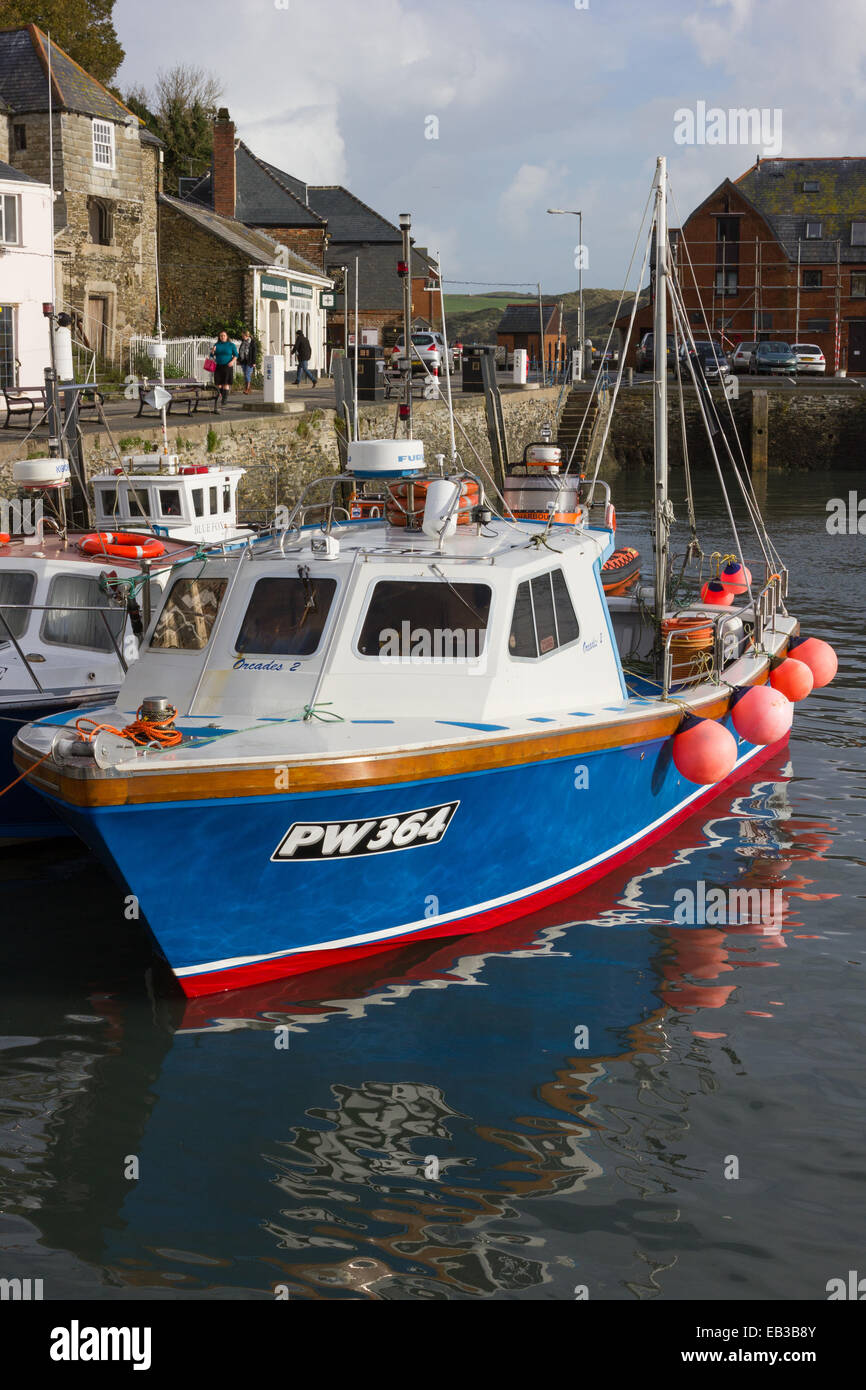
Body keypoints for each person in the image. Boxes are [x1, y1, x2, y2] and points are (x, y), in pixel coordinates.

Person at [211, 331, 238, 410]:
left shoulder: (231, 345)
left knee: (226, 383)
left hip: (227, 366)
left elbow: (236, 355)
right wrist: (213, 351)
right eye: (221, 336)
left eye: (224, 335)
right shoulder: (216, 345)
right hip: (218, 366)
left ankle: (224, 400)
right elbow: (212, 355)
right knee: (219, 384)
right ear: (219, 337)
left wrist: (232, 361)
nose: (222, 337)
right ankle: (223, 396)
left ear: (227, 336)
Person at [237, 330, 258, 394]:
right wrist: (239, 360)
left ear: (247, 335)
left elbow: (254, 353)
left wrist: (254, 362)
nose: (242, 337)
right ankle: (248, 388)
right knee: (245, 375)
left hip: (250, 361)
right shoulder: (243, 342)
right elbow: (240, 351)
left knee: (247, 374)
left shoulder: (252, 342)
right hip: (243, 361)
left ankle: (247, 389)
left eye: (243, 336)